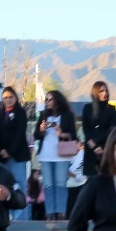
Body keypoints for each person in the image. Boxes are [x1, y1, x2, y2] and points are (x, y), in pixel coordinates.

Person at [34, 89, 78, 222]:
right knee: (48, 184)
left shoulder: (67, 115)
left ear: (57, 100)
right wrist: (42, 130)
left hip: (62, 154)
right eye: (46, 100)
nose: (47, 102)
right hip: (46, 155)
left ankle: (61, 212)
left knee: (60, 184)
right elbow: (36, 135)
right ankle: (50, 213)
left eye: (50, 99)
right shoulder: (42, 115)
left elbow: (74, 136)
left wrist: (61, 134)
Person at [0, 87, 32, 191]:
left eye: (10, 97)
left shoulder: (20, 112)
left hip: (17, 155)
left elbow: (19, 133)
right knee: (4, 183)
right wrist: (1, 150)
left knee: (19, 183)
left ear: (15, 98)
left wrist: (10, 151)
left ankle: (21, 207)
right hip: (2, 156)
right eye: (5, 97)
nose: (8, 99)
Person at [81, 81, 116, 178]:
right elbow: (85, 128)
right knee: (91, 180)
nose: (105, 93)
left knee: (107, 178)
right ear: (95, 92)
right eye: (101, 91)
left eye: (106, 91)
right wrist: (93, 145)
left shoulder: (111, 109)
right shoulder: (87, 108)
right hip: (91, 149)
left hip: (105, 148)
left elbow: (112, 129)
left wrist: (97, 143)